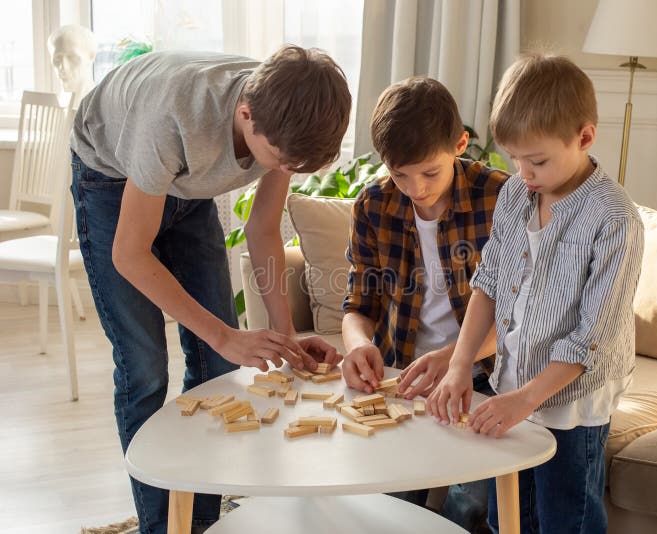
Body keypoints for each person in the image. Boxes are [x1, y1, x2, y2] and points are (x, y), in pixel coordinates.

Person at [69, 46, 350, 534]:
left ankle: (200, 521)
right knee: (144, 369)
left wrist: (285, 337)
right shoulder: (172, 117)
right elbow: (129, 256)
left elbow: (263, 229)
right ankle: (162, 527)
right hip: (110, 177)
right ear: (246, 115)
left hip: (185, 185)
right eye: (280, 160)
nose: (282, 168)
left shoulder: (289, 116)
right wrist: (224, 334)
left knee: (218, 365)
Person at [428, 52, 645, 534]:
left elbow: (592, 340)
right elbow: (487, 284)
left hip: (572, 401)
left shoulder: (615, 220)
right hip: (513, 383)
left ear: (585, 137)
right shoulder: (515, 195)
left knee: (566, 517)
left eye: (538, 160)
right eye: (514, 159)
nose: (523, 172)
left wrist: (526, 400)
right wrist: (460, 364)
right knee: (514, 515)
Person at [341, 76, 508, 529]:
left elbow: (523, 317)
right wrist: (358, 344)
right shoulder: (373, 205)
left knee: (471, 502)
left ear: (460, 144)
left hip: (488, 376)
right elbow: (360, 302)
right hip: (403, 379)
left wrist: (457, 357)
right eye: (399, 174)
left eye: (429, 173)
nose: (415, 187)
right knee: (382, 501)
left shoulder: (503, 198)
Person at [47, 24, 97, 102]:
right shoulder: (61, 101)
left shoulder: (101, 104)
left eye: (72, 58)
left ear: (91, 57)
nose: (63, 67)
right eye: (57, 58)